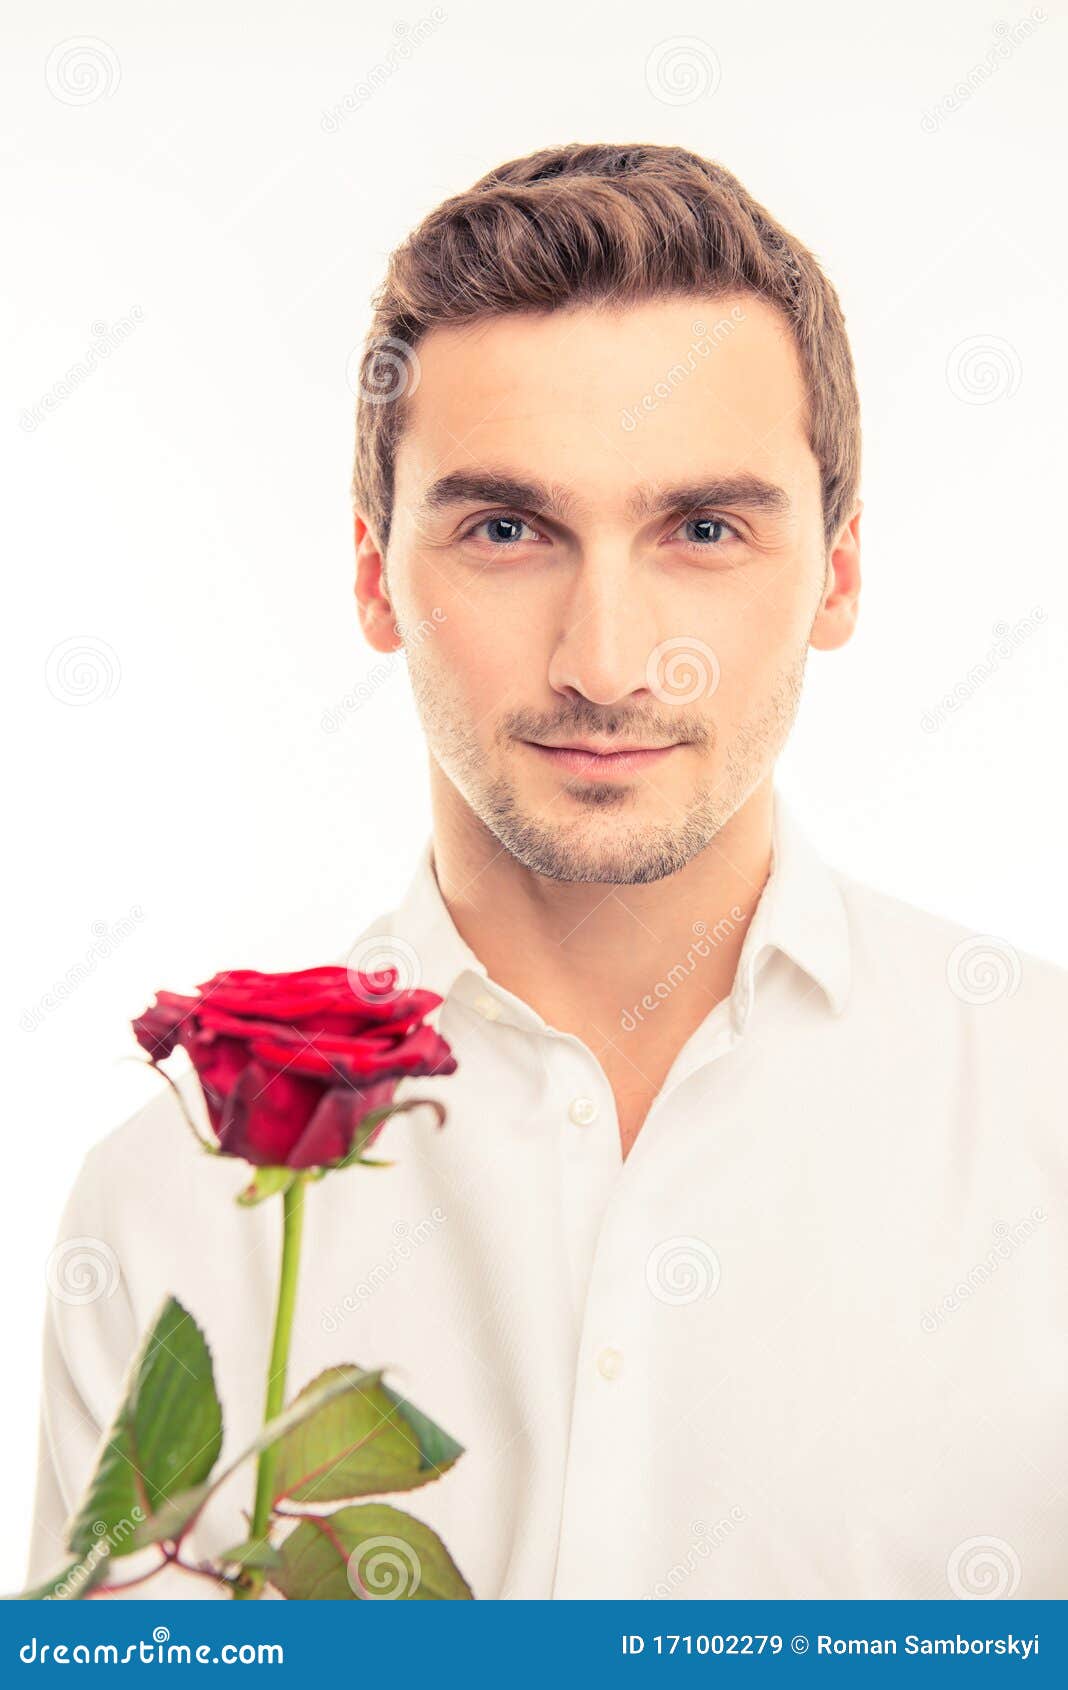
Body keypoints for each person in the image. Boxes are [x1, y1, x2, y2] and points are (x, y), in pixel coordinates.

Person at [27, 143, 1067, 1601]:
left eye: (703, 529)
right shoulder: (163, 1211)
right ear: (376, 573)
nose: (607, 664)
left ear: (836, 570)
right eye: (507, 531)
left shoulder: (1041, 1114)